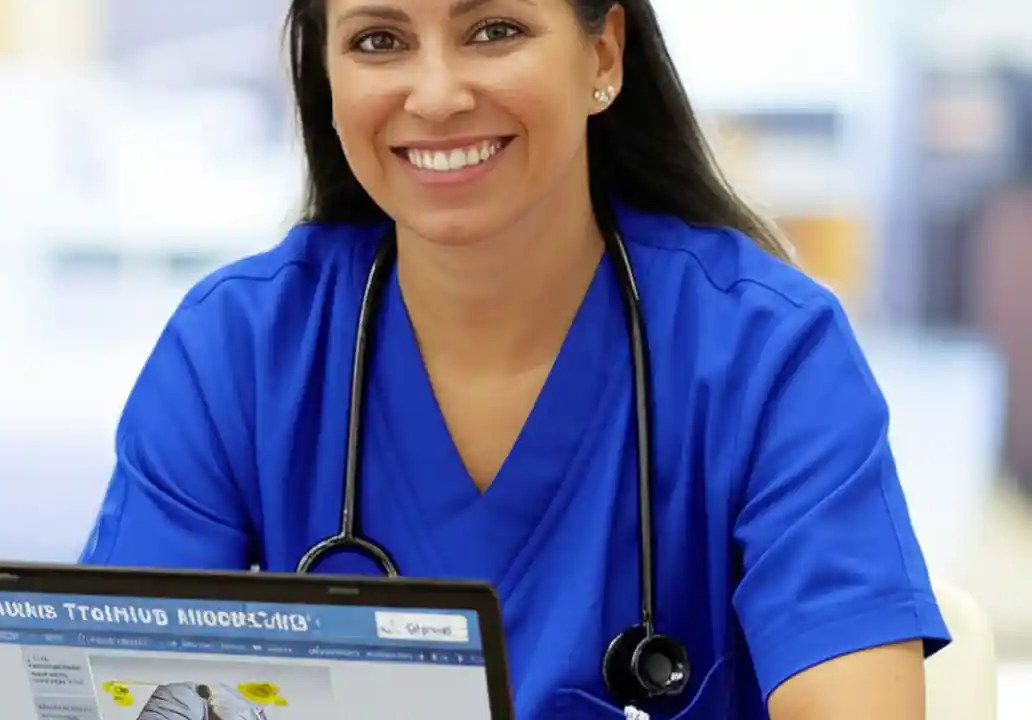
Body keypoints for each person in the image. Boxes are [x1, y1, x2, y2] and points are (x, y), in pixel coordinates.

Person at [79, 0, 951, 717]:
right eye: (379, 41)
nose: (435, 93)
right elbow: (117, 685)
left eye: (493, 30)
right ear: (327, 78)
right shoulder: (237, 351)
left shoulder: (768, 353)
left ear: (603, 54)